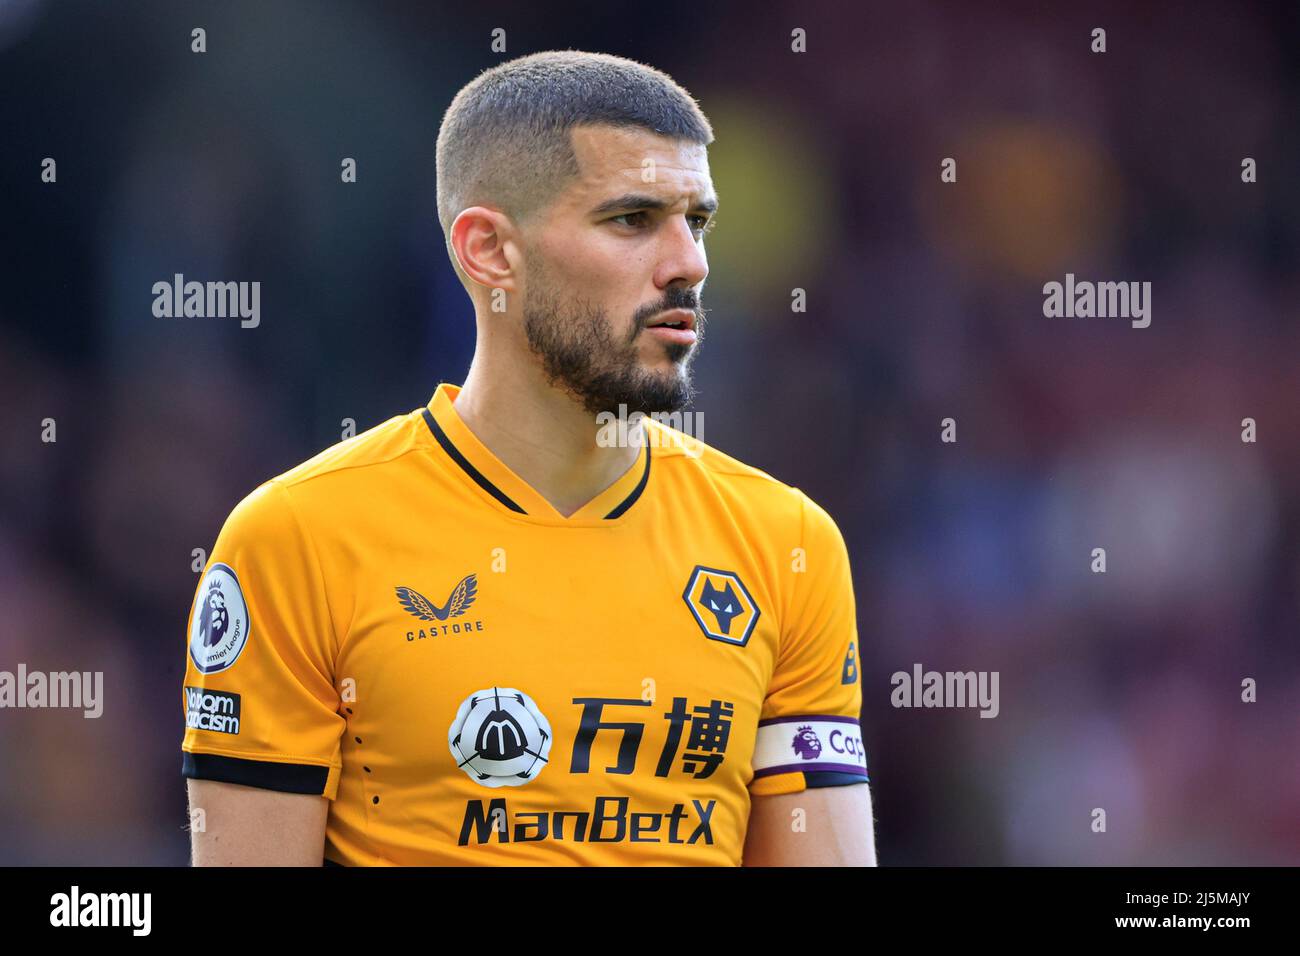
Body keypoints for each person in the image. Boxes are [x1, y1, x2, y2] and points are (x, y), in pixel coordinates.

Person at [181, 49, 875, 866]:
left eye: (699, 220)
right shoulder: (299, 540)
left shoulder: (788, 544)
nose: (690, 262)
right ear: (490, 253)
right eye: (632, 219)